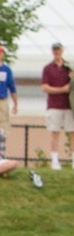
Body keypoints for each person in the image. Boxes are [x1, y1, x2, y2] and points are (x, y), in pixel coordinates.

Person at [41, 42, 73, 171]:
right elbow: (45, 87)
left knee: (72, 133)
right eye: (55, 50)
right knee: (55, 133)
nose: (57, 52)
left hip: (69, 105)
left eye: (58, 50)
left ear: (62, 50)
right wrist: (61, 89)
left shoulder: (69, 67)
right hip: (54, 105)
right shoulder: (48, 68)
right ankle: (55, 161)